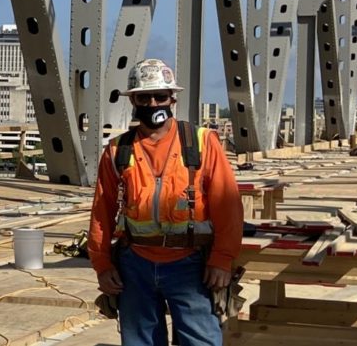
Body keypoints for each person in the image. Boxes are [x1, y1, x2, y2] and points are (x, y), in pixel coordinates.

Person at [88, 59, 243, 346]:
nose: (153, 103)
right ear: (133, 99)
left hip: (191, 264)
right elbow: (102, 211)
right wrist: (102, 264)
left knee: (201, 341)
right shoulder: (117, 151)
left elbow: (228, 206)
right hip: (134, 265)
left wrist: (222, 259)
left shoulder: (201, 142)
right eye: (144, 97)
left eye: (160, 96)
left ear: (172, 98)